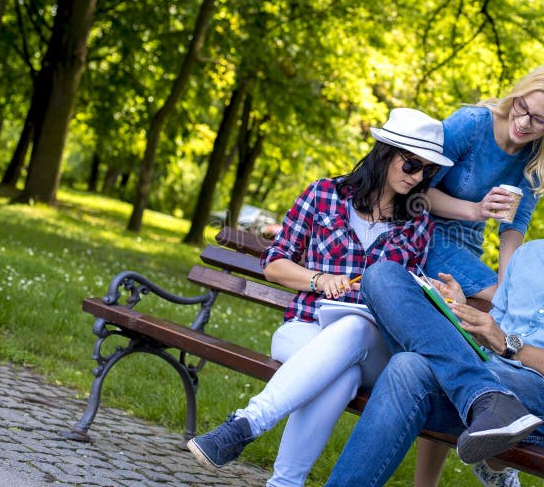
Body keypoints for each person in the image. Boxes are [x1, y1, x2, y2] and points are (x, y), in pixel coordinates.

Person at [324, 125, 544, 486]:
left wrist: (511, 346)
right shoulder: (531, 256)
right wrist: (457, 312)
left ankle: (490, 401)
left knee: (411, 365)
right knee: (382, 277)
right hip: (484, 377)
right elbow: (493, 334)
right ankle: (486, 401)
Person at [186, 108, 454, 487]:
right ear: (384, 152)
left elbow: (408, 294)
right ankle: (283, 483)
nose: (418, 177)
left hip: (375, 345)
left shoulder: (417, 222)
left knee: (357, 327)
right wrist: (317, 278)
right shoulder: (323, 195)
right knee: (340, 378)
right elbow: (274, 263)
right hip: (304, 328)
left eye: (428, 171)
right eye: (412, 164)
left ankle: (247, 422)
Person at [416, 64, 544, 486]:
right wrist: (473, 210)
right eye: (521, 108)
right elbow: (413, 188)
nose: (522, 123)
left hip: (464, 250)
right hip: (420, 232)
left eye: (538, 120)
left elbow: (513, 232)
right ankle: (493, 448)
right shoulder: (471, 124)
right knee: (487, 319)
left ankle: (484, 446)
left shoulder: (534, 162)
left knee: (479, 331)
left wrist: (510, 293)